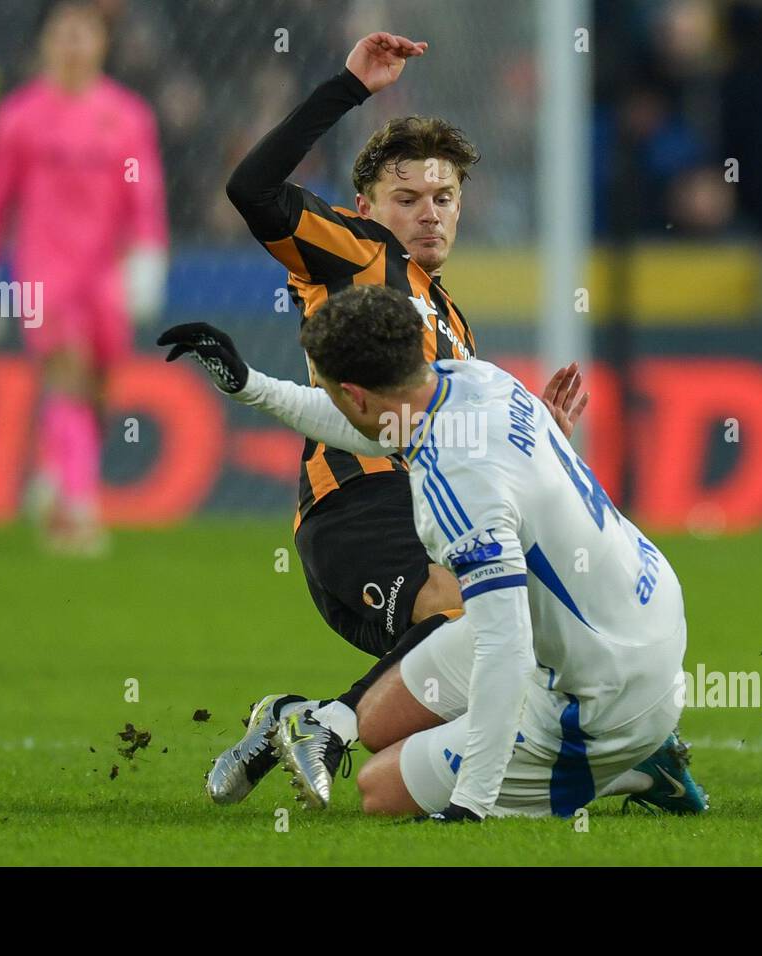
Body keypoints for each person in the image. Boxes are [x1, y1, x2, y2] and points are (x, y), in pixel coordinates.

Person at [207, 31, 588, 806]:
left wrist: (541, 435)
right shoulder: (354, 253)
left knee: (479, 660)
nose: (429, 215)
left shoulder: (452, 318)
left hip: (422, 514)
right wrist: (349, 86)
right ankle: (328, 724)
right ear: (365, 209)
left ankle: (294, 715)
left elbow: (455, 436)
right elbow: (252, 188)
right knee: (466, 609)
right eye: (407, 198)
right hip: (357, 497)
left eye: (444, 199)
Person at [158, 285, 708, 819]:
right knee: (372, 723)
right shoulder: (469, 380)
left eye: (330, 392)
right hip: (642, 607)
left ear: (354, 394)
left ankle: (635, 763)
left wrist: (470, 804)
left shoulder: (459, 481)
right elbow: (370, 427)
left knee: (379, 788)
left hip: (605, 696)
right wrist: (249, 386)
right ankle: (305, 719)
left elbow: (507, 648)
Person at [0, 0, 168, 554]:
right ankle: (79, 506)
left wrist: (148, 254)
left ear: (101, 44)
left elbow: (142, 196)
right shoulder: (18, 117)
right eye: (64, 34)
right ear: (47, 42)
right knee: (67, 370)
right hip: (43, 274)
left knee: (98, 385)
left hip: (104, 273)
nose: (74, 44)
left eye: (84, 34)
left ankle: (55, 472)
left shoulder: (128, 116)